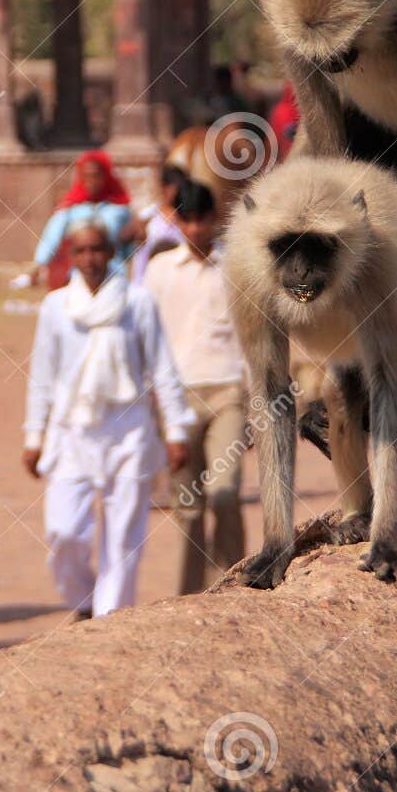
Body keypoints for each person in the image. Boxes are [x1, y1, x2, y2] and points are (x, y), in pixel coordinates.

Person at [23, 224, 192, 618]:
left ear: (111, 252)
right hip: (72, 432)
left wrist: (176, 429)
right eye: (81, 251)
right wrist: (34, 435)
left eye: (98, 250)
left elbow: (162, 368)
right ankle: (83, 600)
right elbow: (42, 377)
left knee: (123, 537)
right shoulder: (55, 306)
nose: (90, 259)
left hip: (129, 429)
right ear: (71, 255)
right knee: (63, 531)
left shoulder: (137, 302)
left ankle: (109, 616)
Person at [142, 182, 246, 594]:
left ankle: (237, 586)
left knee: (224, 493)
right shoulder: (159, 270)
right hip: (177, 401)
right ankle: (190, 598)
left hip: (228, 395)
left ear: (214, 219)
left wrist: (256, 407)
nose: (197, 229)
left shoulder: (234, 268)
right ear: (177, 221)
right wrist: (154, 406)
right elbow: (147, 341)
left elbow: (250, 339)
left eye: (204, 220)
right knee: (188, 508)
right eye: (189, 220)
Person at [32, 150, 133, 290]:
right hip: (80, 274)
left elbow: (129, 245)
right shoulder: (70, 210)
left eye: (96, 176)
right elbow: (52, 237)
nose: (91, 182)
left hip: (115, 274)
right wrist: (40, 264)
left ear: (105, 176)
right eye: (86, 176)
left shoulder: (120, 211)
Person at [127, 164, 187, 283]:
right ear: (164, 187)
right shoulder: (147, 217)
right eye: (177, 188)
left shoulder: (187, 219)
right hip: (145, 281)